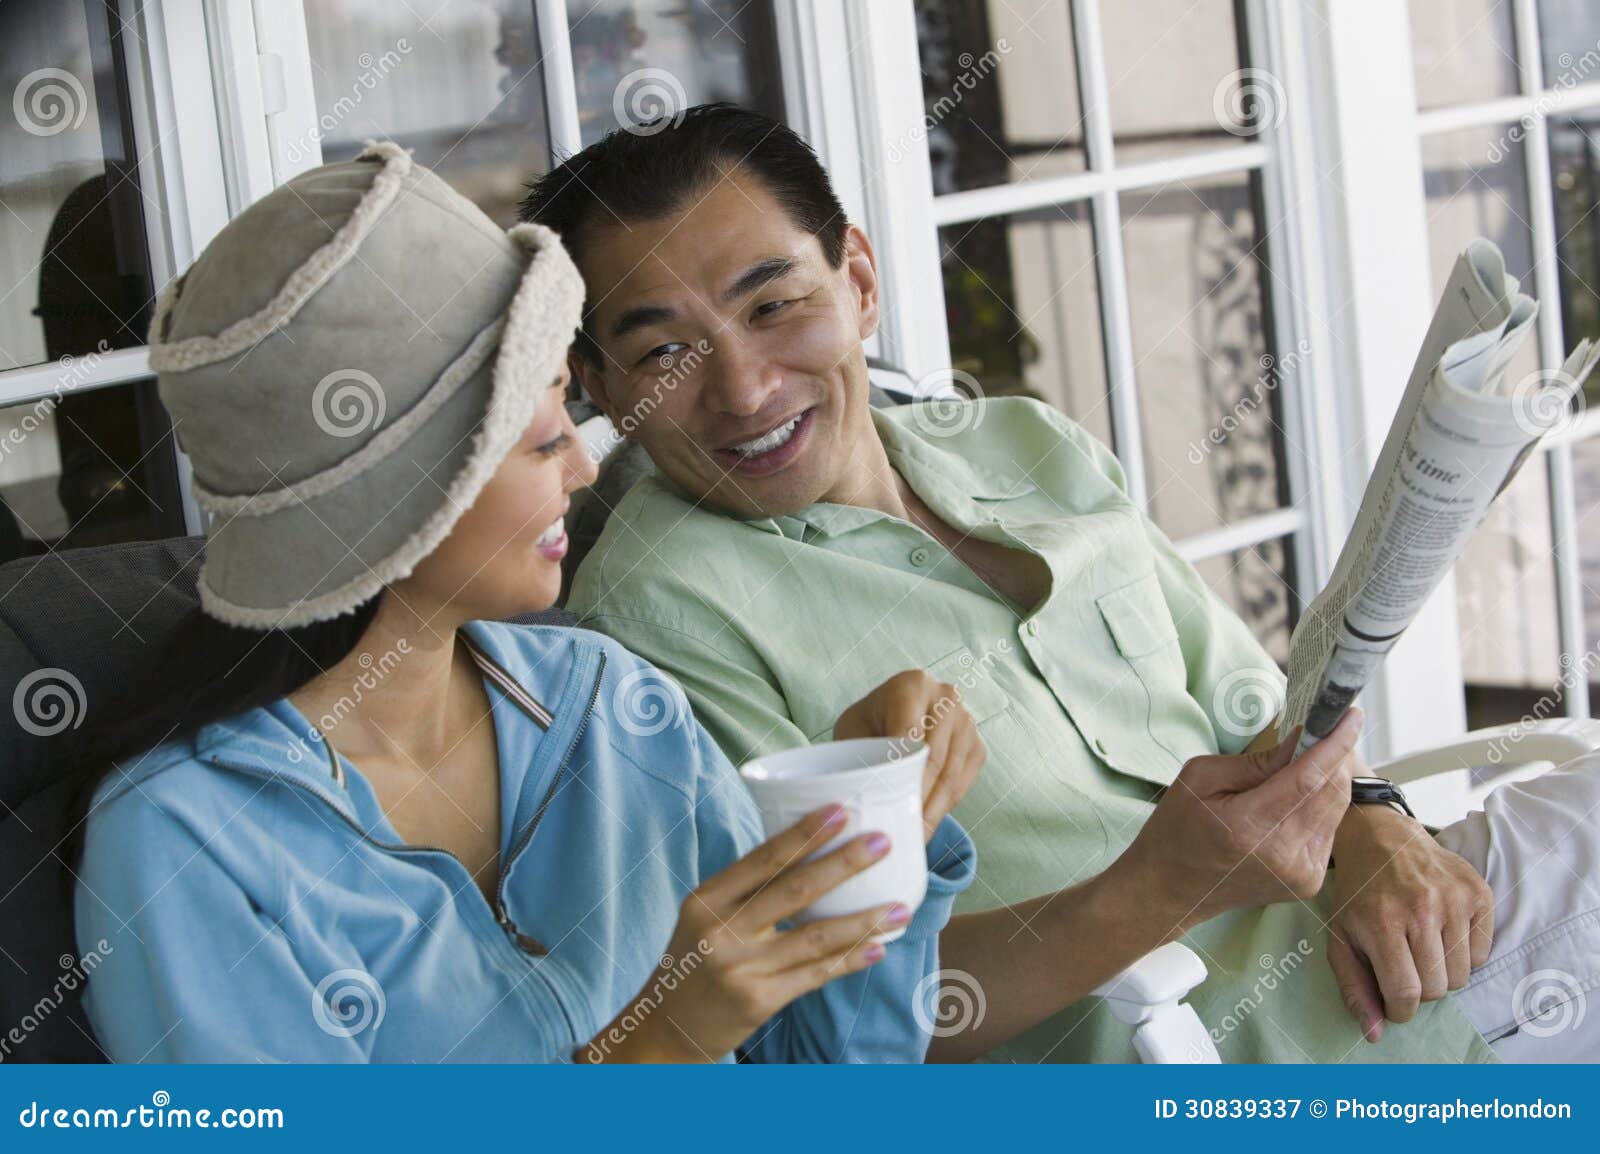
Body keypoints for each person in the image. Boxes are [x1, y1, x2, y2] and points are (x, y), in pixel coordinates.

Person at [530, 104, 1600, 1063]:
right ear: (598, 387)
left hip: (1389, 931)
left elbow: (1265, 716)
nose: (745, 387)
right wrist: (1163, 887)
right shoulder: (649, 626)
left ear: (857, 282)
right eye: (665, 350)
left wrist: (1373, 827)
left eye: (773, 306)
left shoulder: (1019, 442)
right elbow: (831, 1025)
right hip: (1245, 1047)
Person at [71, 143, 980, 1063]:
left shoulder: (614, 706)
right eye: (545, 438)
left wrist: (876, 837)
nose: (586, 469)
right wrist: (661, 1043)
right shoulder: (183, 844)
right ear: (405, 491)